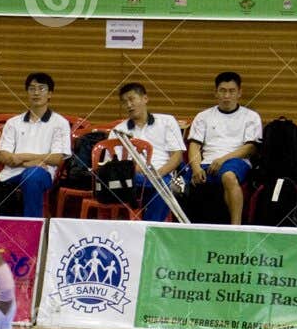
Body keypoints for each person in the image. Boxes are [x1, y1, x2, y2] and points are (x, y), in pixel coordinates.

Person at [0, 72, 71, 218]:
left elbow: (57, 158)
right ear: (27, 93)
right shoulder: (13, 123)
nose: (36, 93)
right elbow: (4, 156)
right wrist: (33, 163)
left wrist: (23, 157)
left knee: (32, 176)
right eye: (32, 89)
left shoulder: (60, 123)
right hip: (10, 175)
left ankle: (31, 228)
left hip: (42, 174)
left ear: (50, 94)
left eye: (42, 88)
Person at [186, 71, 262, 224]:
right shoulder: (203, 116)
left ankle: (235, 228)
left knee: (228, 176)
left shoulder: (251, 117)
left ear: (239, 93)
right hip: (207, 163)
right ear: (216, 93)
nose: (227, 96)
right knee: (187, 183)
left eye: (232, 91)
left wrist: (223, 160)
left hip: (236, 161)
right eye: (223, 91)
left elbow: (251, 148)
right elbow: (194, 145)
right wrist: (195, 168)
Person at [112, 82, 186, 222]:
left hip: (162, 175)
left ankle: (147, 228)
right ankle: (151, 232)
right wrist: (135, 169)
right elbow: (114, 164)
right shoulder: (118, 130)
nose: (128, 105)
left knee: (162, 187)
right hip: (132, 180)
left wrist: (158, 174)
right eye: (124, 102)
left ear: (145, 98)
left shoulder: (167, 121)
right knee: (164, 188)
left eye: (132, 99)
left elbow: (177, 156)